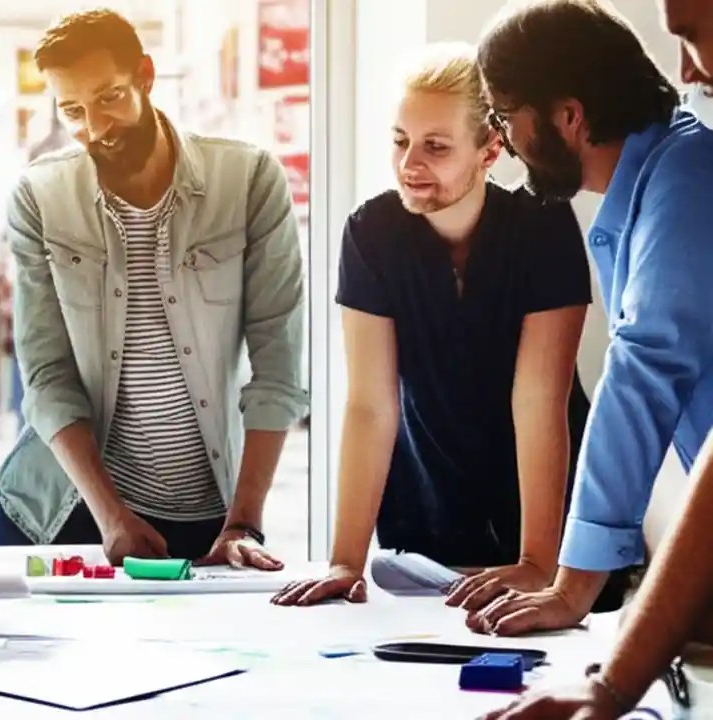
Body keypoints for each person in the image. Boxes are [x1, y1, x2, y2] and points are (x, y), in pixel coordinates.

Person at [272, 43, 597, 611]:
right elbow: (371, 405)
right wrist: (345, 561)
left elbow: (541, 399)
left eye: (436, 146)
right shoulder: (371, 233)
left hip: (550, 520)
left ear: (490, 149)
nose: (408, 164)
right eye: (400, 141)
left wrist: (538, 562)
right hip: (426, 515)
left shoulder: (543, 226)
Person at [0, 9, 308, 567]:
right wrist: (111, 516)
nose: (96, 127)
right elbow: (46, 376)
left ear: (146, 76)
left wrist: (245, 522)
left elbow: (277, 366)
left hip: (209, 517)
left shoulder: (248, 181)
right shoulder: (40, 197)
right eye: (73, 110)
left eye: (109, 97)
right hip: (66, 505)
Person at [480, 1, 713, 718]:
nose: (504, 139)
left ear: (570, 117)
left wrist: (574, 583)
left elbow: (641, 373)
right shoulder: (654, 183)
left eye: (502, 116)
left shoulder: (686, 178)